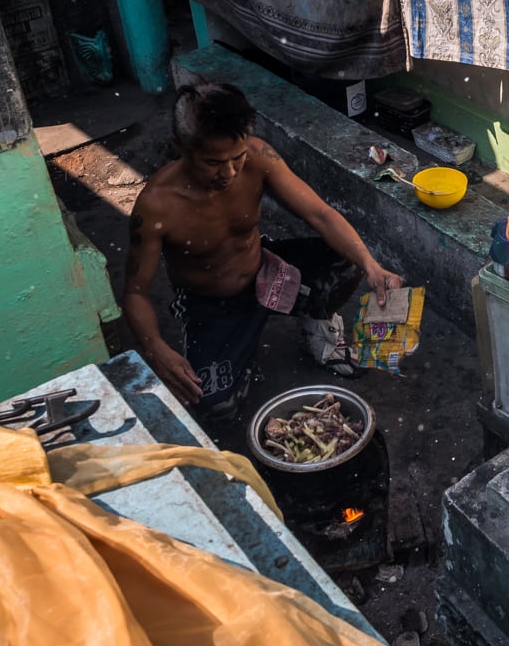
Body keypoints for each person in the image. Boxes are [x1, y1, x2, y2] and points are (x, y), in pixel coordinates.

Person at [123, 81, 402, 414]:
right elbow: (135, 292)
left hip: (266, 271)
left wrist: (371, 265)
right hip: (212, 303)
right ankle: (236, 346)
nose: (229, 172)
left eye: (237, 157)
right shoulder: (156, 206)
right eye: (213, 162)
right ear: (181, 146)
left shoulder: (258, 156)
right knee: (214, 403)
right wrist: (156, 349)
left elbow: (321, 214)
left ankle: (318, 324)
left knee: (349, 257)